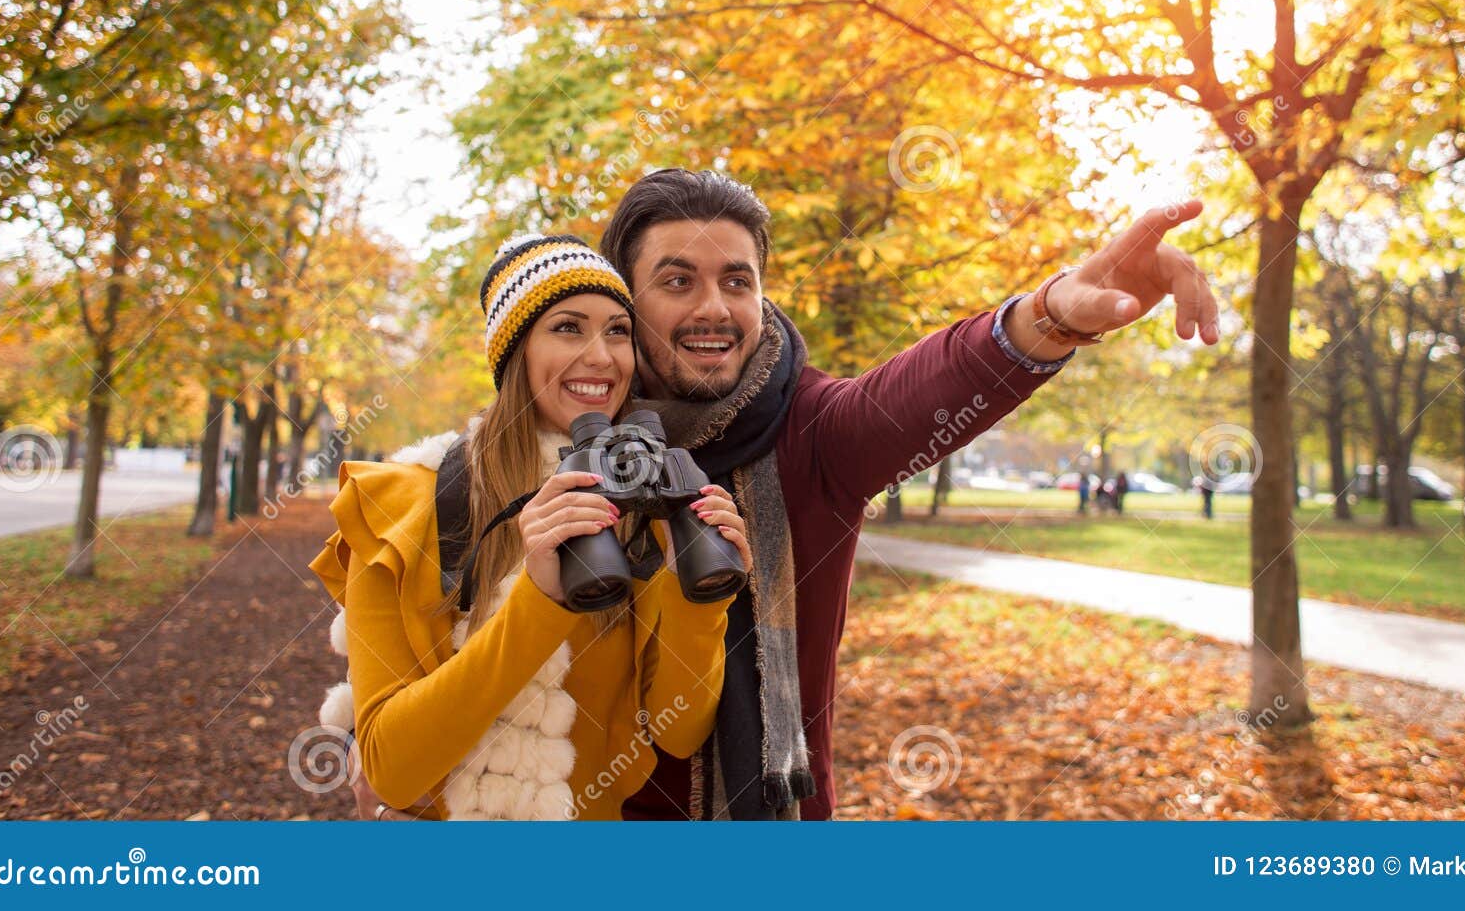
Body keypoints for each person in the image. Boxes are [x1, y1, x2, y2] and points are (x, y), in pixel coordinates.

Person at [335, 168, 1220, 820]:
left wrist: (1052, 312)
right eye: (676, 280)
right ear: (624, 301)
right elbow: (421, 671)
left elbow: (915, 394)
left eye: (739, 280)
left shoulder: (810, 432)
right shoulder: (558, 458)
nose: (714, 305)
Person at [308, 234, 752, 820]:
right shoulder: (400, 506)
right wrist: (539, 599)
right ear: (514, 352)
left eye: (618, 331)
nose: (601, 356)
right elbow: (391, 770)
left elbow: (678, 731)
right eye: (568, 327)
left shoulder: (634, 506)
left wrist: (699, 602)